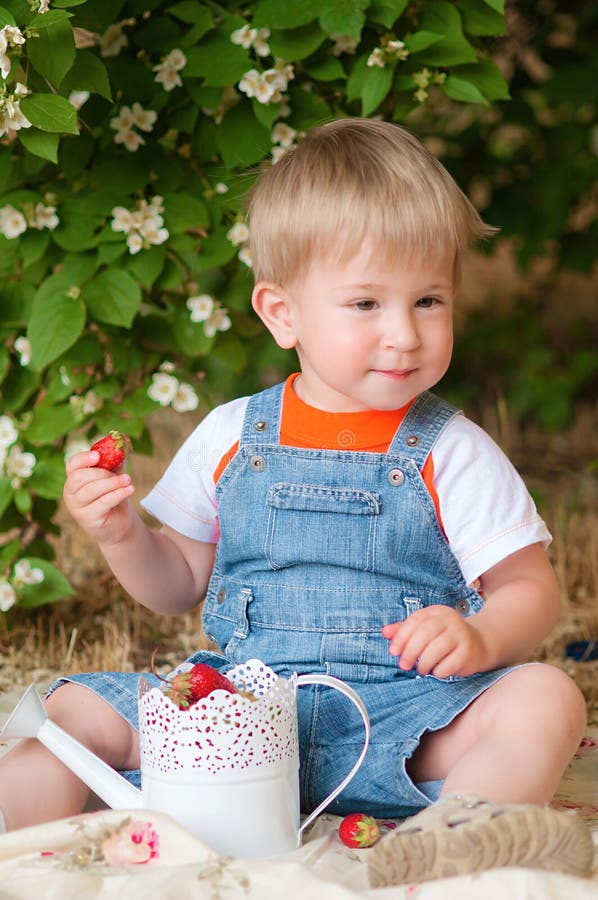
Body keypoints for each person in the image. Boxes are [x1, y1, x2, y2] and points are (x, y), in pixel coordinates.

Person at [0, 118, 591, 883]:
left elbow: (530, 589)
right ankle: (24, 839)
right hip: (236, 715)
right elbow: (176, 583)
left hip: (406, 719)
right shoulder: (231, 435)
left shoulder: (452, 448)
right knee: (72, 717)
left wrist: (481, 639)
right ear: (282, 313)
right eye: (366, 304)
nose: (404, 336)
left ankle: (460, 837)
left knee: (545, 696)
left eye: (429, 301)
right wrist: (120, 536)